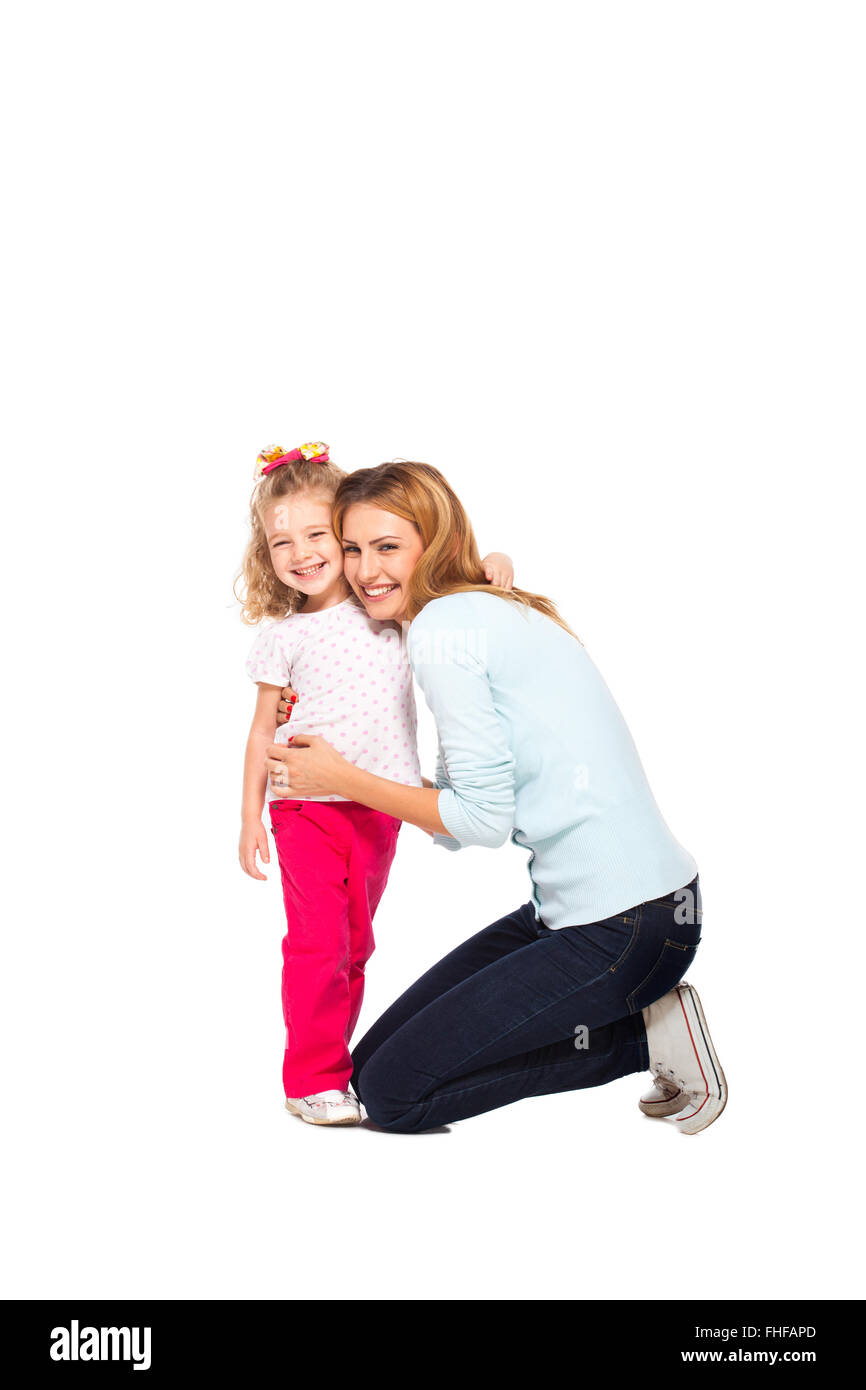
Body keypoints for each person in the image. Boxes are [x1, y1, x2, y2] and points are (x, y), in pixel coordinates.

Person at [267, 460, 728, 1135]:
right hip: (596, 913)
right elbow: (458, 814)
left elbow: (481, 824)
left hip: (627, 926)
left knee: (395, 1099)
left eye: (388, 546)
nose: (366, 570)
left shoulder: (442, 632)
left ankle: (644, 1041)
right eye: (354, 548)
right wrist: (345, 762)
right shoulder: (471, 612)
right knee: (365, 1075)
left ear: (436, 543)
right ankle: (640, 1023)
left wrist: (343, 781)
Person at [236, 443, 513, 1126]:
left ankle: (336, 1066)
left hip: (379, 809)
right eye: (281, 543)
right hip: (305, 807)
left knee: (355, 945)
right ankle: (309, 1079)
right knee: (318, 944)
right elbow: (259, 734)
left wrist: (492, 569)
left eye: (316, 535)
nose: (300, 554)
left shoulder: (388, 609)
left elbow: (452, 595)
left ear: (347, 536)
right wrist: (249, 819)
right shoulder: (284, 635)